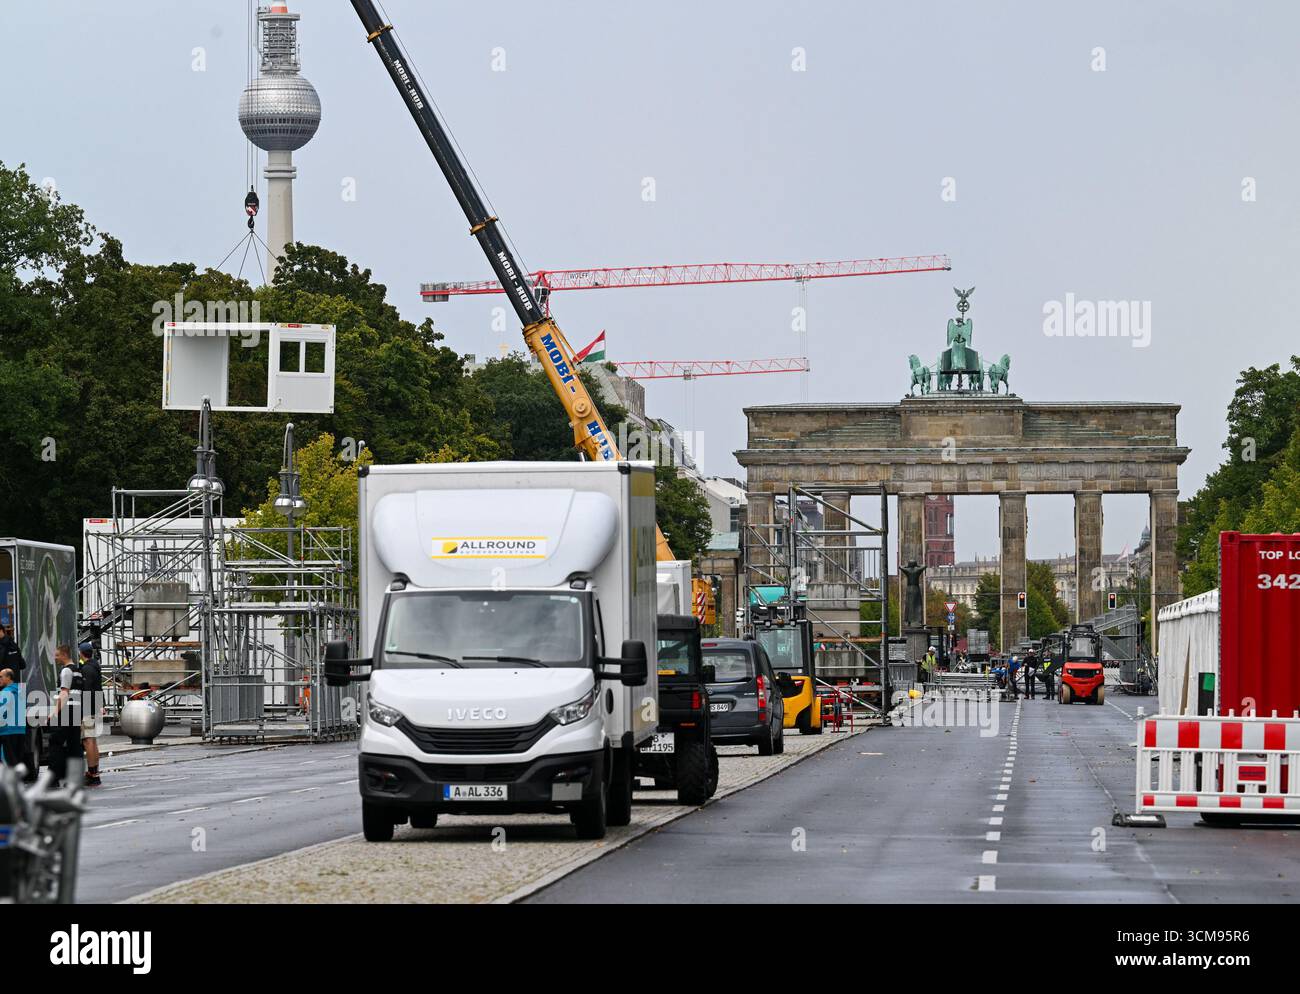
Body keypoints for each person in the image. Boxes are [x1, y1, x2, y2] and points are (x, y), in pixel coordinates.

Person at [48, 644, 85, 786]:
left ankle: (53, 779)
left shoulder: (66, 671)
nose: (55, 658)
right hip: (76, 711)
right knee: (74, 746)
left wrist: (54, 712)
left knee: (55, 743)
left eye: (57, 655)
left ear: (64, 655)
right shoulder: (78, 671)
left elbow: (64, 693)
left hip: (66, 711)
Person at [78, 643, 103, 787]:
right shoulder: (95, 666)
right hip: (94, 706)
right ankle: (95, 772)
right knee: (92, 740)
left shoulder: (87, 669)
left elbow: (86, 690)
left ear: (81, 653)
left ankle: (93, 774)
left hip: (87, 707)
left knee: (88, 741)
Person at [0, 668, 23, 768]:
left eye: (1, 677)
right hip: (20, 731)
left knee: (8, 763)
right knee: (17, 762)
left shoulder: (5, 692)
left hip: (7, 732)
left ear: (8, 677)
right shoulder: (21, 691)